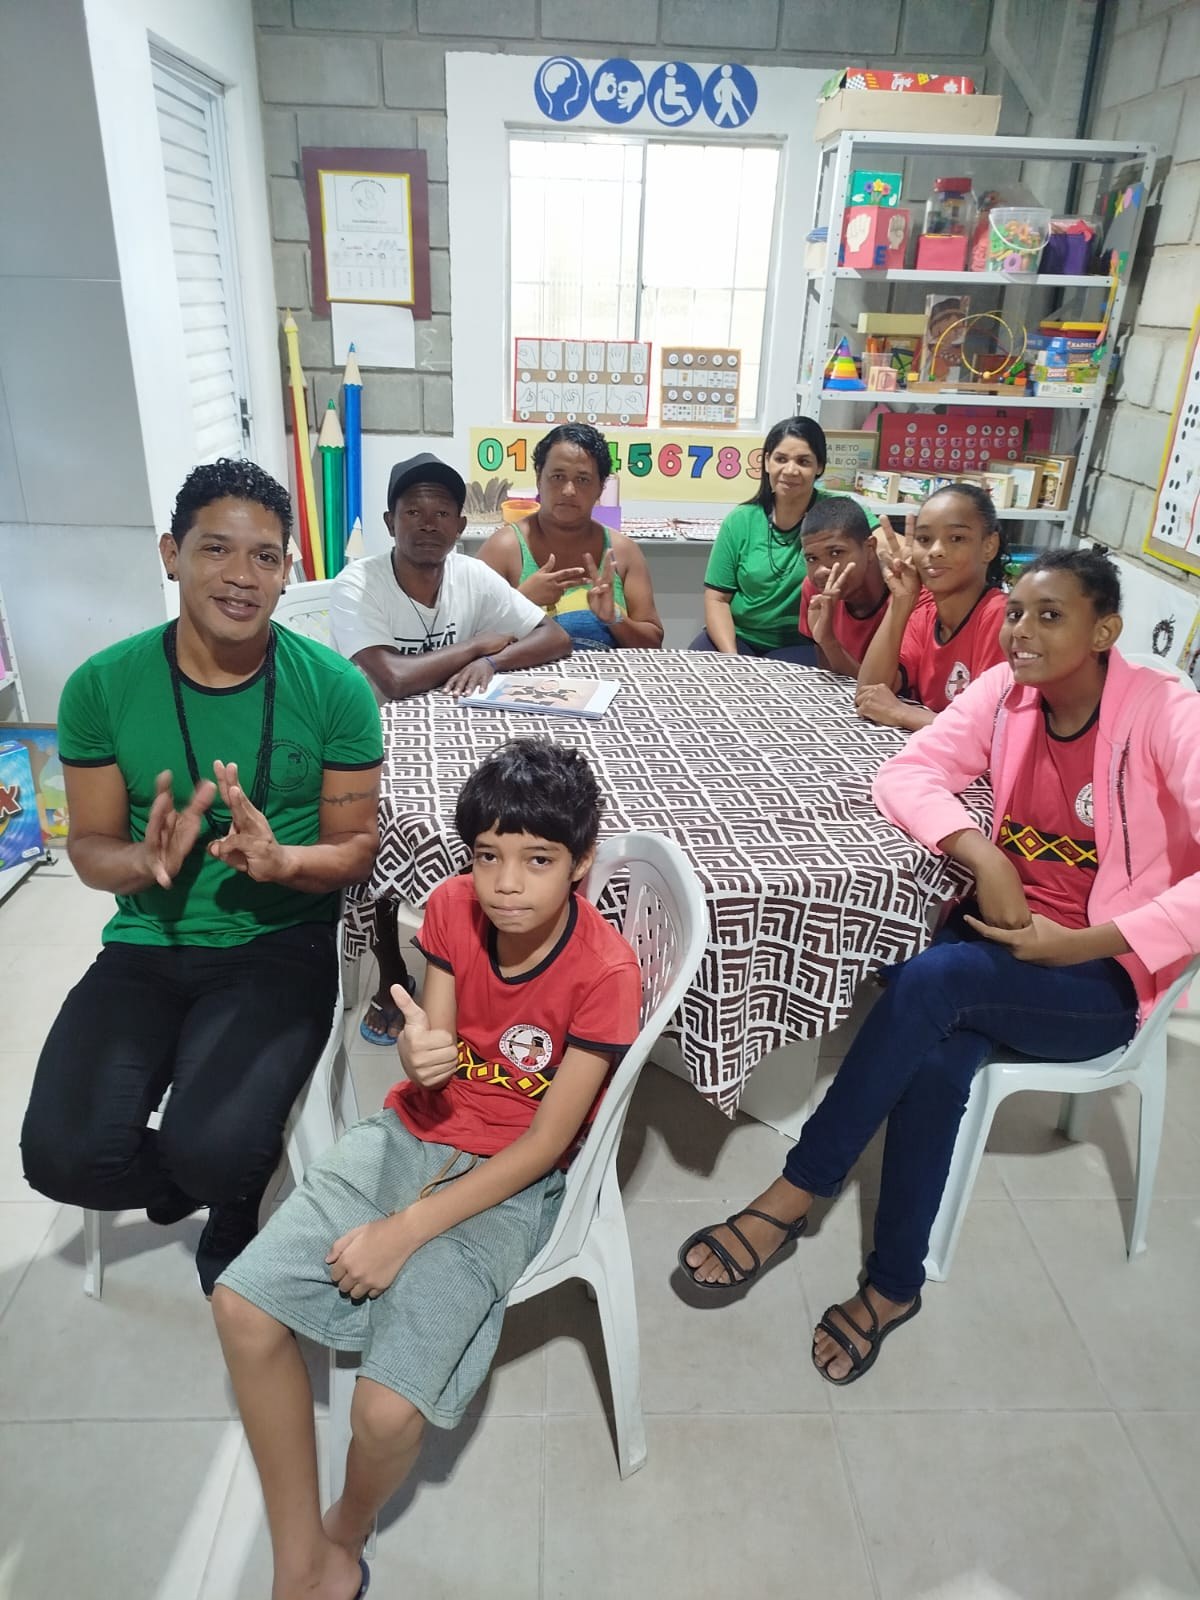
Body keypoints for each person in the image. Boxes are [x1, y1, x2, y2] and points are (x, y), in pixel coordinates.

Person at [676, 548, 1200, 1384]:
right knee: (940, 1045)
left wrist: (1091, 942)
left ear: (1105, 630)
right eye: (1019, 612)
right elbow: (909, 771)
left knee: (933, 981)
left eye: (1051, 616)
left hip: (1100, 975)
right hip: (996, 935)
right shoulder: (1008, 693)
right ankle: (893, 1287)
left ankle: (795, 1192)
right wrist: (979, 855)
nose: (1023, 632)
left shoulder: (1166, 715)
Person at [212, 739, 642, 1599]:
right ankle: (302, 1558)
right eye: (488, 857)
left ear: (583, 862)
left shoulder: (606, 974)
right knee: (240, 1307)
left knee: (384, 1411)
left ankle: (346, 1525)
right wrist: (418, 1054)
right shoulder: (451, 907)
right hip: (415, 1131)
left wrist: (404, 1232)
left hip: (512, 1179)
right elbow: (435, 1049)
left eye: (538, 860)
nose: (506, 884)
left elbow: (547, 1144)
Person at [20, 459, 383, 1296]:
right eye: (215, 548)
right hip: (149, 940)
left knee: (215, 1145)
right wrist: (141, 863)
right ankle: (202, 1181)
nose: (240, 576)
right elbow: (90, 849)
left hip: (279, 940)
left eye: (264, 557)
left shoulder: (334, 691)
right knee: (63, 1158)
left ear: (288, 571)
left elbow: (356, 847)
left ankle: (230, 1188)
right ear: (170, 553)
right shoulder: (102, 687)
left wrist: (286, 861)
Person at [329, 452, 571, 1046]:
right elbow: (392, 679)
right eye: (414, 511)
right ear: (390, 521)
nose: (428, 522)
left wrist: (493, 658)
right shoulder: (359, 582)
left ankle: (481, 960)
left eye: (442, 512)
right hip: (375, 741)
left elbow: (556, 636)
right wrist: (472, 649)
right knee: (388, 826)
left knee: (505, 818)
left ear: (461, 525)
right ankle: (390, 967)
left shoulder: (470, 574)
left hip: (459, 736)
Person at [477, 422, 664, 651]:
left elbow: (653, 644)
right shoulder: (504, 549)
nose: (568, 490)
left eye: (583, 479)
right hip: (524, 685)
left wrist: (614, 618)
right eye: (557, 476)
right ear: (539, 478)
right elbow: (469, 638)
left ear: (601, 487)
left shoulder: (623, 553)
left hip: (606, 682)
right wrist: (522, 600)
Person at [694, 415, 867, 661]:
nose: (791, 470)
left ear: (819, 467)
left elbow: (878, 541)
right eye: (781, 459)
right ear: (766, 462)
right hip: (738, 637)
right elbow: (717, 599)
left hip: (804, 641)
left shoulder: (836, 510)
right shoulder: (741, 520)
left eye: (803, 461)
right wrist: (732, 659)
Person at [856, 482, 1008, 729]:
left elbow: (993, 732)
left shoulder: (1002, 619)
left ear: (989, 546)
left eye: (956, 538)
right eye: (924, 539)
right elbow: (869, 695)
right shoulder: (924, 615)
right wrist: (901, 603)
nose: (936, 551)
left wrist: (902, 714)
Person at [797, 495, 889, 676]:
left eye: (836, 552)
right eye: (812, 558)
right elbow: (833, 679)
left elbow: (882, 689)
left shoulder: (903, 596)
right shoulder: (814, 590)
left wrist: (829, 641)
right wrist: (825, 640)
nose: (821, 571)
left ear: (870, 548)